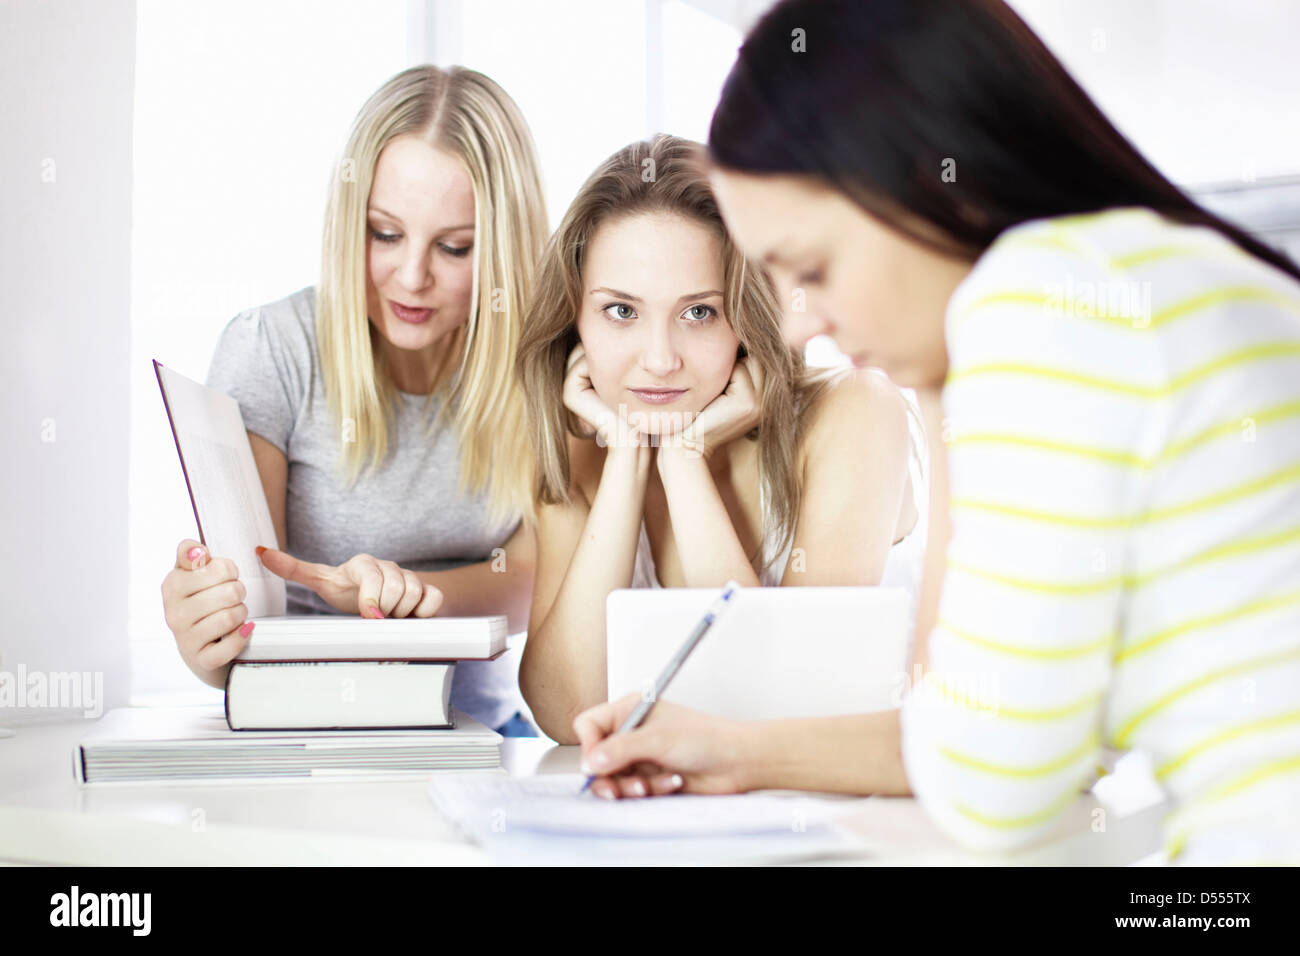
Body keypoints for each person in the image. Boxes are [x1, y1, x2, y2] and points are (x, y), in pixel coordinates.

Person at [572, 0, 1300, 865]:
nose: (798, 327)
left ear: (925, 182)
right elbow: (992, 731)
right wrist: (726, 750)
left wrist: (930, 384)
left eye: (811, 268)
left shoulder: (1046, 305)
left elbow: (992, 789)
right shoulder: (1143, 269)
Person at [160, 65, 549, 735]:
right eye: (385, 233)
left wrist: (411, 598)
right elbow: (251, 608)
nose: (412, 276)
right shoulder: (272, 350)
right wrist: (207, 629)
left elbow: (538, 574)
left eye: (456, 247)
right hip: (298, 725)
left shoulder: (541, 365)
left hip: (483, 736)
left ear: (505, 250)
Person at [515, 135, 925, 744]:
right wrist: (629, 457)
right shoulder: (584, 446)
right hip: (697, 813)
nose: (658, 361)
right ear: (575, 316)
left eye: (699, 312)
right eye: (621, 311)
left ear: (746, 313)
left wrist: (683, 460)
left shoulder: (857, 414)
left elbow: (782, 701)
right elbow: (569, 713)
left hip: (865, 813)